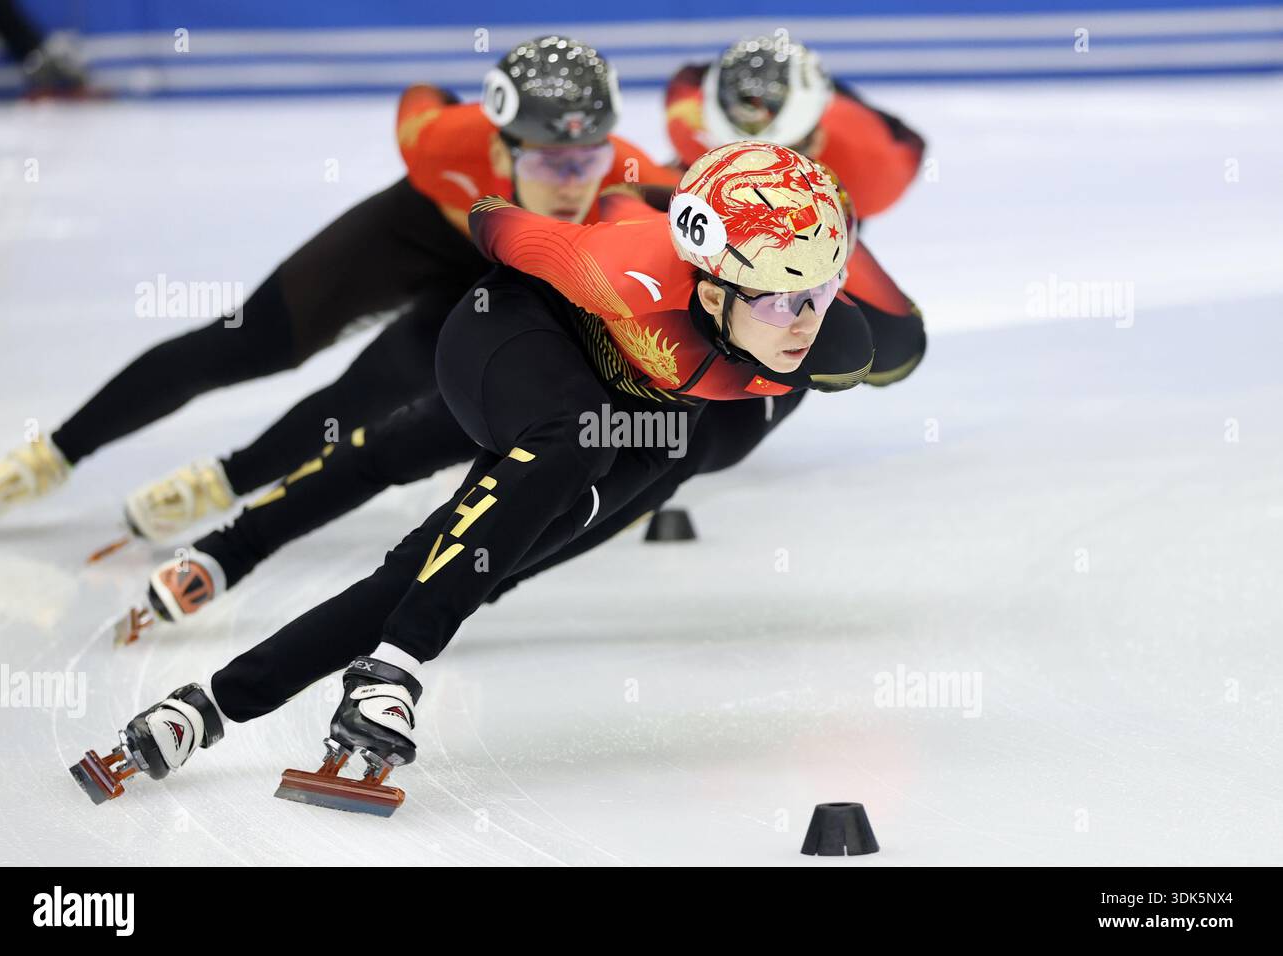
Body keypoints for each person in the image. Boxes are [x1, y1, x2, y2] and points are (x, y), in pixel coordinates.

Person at [73, 141, 920, 806]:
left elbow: (901, 340)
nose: (806, 322)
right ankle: (296, 595)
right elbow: (492, 220)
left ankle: (207, 708)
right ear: (707, 290)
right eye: (783, 299)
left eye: (823, 290)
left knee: (462, 557)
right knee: (455, 447)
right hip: (517, 334)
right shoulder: (618, 265)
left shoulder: (825, 344)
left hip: (635, 417)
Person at [0, 36, 678, 539]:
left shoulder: (625, 185)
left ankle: (223, 483)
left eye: (589, 156)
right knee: (250, 342)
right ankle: (52, 454)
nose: (573, 181)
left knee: (374, 390)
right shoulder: (441, 142)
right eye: (551, 162)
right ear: (500, 147)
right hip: (418, 229)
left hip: (493, 277)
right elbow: (422, 98)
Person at [665, 33, 925, 220]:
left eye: (782, 164)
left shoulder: (872, 170)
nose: (759, 182)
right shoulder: (687, 121)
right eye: (737, 159)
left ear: (818, 139)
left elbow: (911, 144)